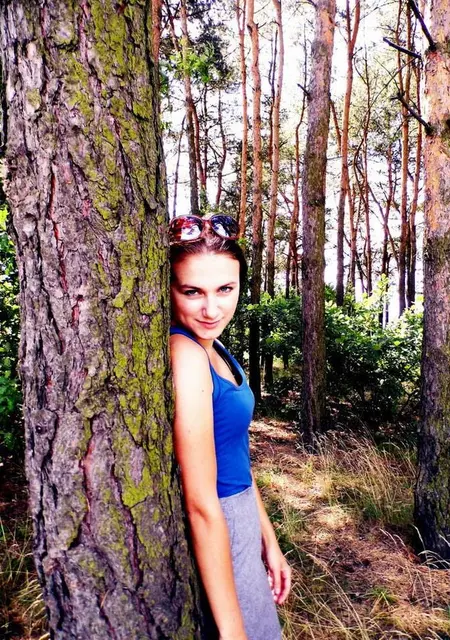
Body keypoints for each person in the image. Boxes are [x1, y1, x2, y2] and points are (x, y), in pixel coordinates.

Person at [169, 214, 291, 640]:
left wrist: (268, 540)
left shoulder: (214, 344)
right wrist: (233, 629)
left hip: (241, 520)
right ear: (169, 289)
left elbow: (235, 455)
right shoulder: (186, 355)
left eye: (225, 289)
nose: (211, 309)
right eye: (192, 291)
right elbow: (201, 504)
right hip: (219, 530)